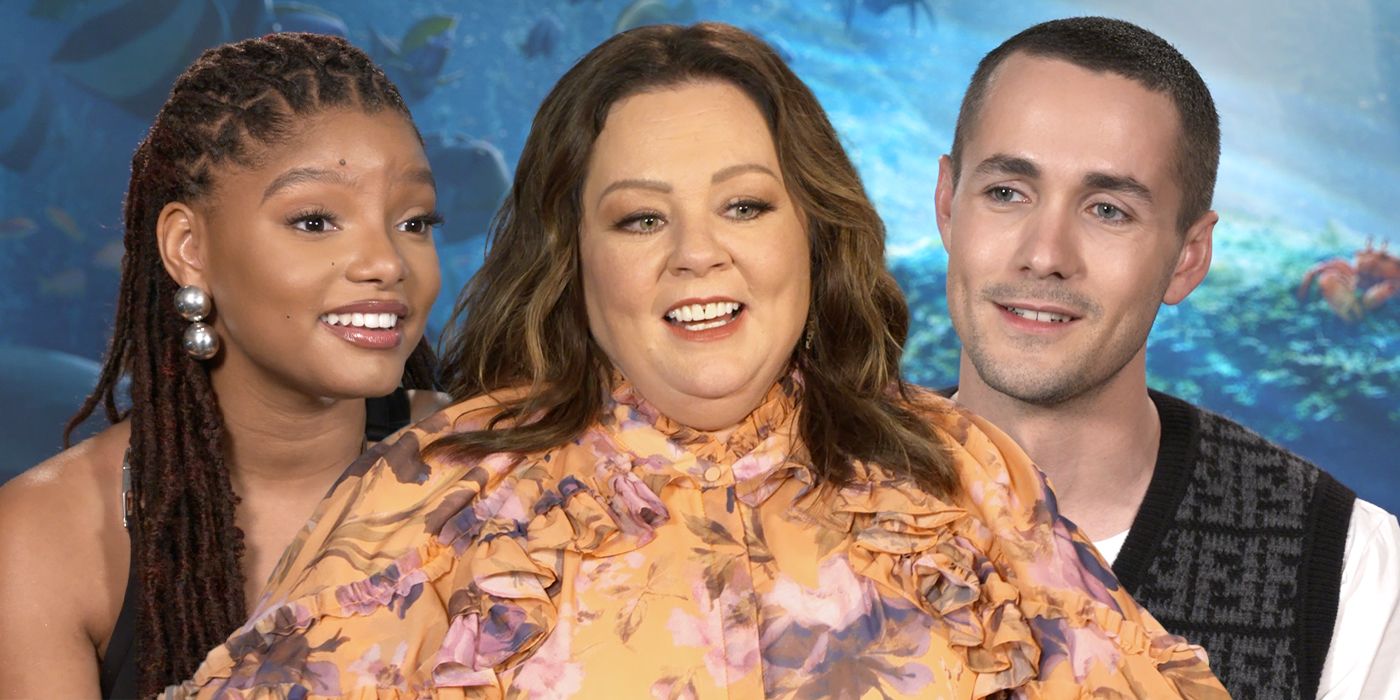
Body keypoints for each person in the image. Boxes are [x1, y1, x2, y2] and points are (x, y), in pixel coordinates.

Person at [166, 23, 1225, 698]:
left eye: (744, 205)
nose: (696, 254)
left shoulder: (963, 473)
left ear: (809, 230)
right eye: (639, 219)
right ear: (575, 255)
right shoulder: (431, 493)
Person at [932, 16, 1400, 699]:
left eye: (1108, 210)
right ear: (948, 205)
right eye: (1006, 193)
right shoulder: (799, 503)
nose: (1045, 254)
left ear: (1188, 256)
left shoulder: (1345, 572)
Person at [0, 33, 447, 698]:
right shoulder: (42, 539)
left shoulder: (496, 467)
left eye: (414, 222)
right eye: (316, 221)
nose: (387, 262)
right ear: (189, 247)